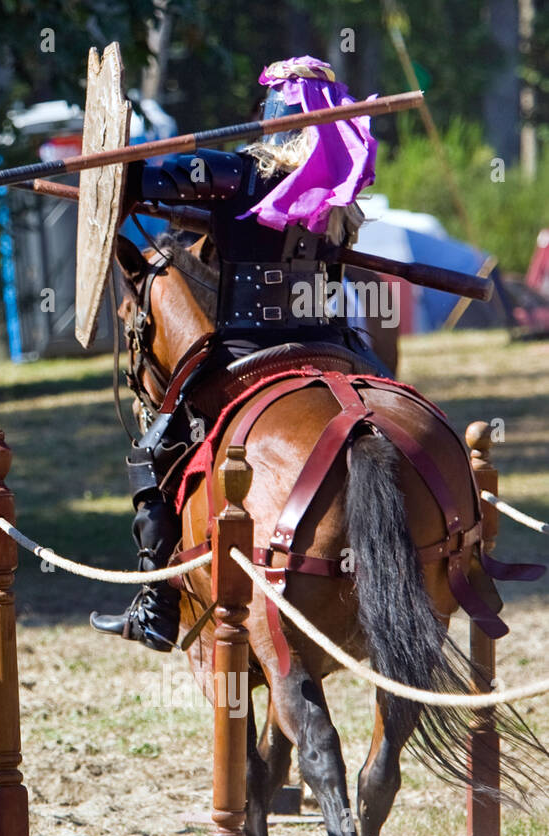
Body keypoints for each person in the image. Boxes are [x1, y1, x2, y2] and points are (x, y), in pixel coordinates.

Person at [90, 57, 388, 652]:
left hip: (250, 348)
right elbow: (247, 221)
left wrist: (110, 172)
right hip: (337, 347)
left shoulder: (240, 172)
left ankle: (157, 604)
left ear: (273, 115)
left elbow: (142, 179)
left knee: (156, 453)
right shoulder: (341, 192)